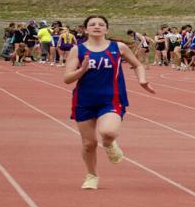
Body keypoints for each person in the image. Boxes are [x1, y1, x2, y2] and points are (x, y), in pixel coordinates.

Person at [63, 15, 153, 190]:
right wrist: (82, 70)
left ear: (107, 29)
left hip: (111, 98)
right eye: (92, 24)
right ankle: (91, 175)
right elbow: (67, 78)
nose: (97, 27)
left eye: (101, 24)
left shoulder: (118, 47)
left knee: (109, 132)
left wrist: (142, 80)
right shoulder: (78, 50)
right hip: (84, 100)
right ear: (86, 29)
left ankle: (109, 143)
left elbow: (138, 65)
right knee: (89, 144)